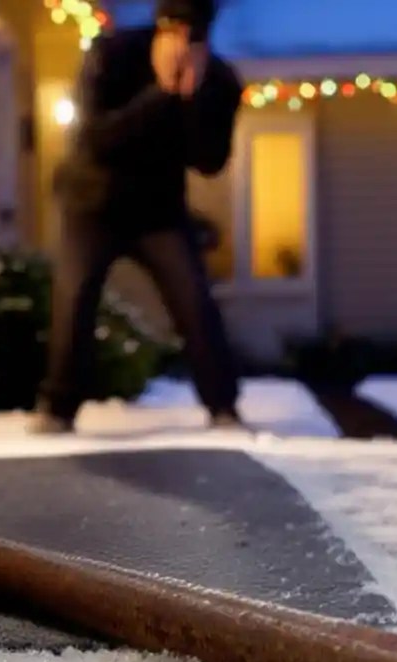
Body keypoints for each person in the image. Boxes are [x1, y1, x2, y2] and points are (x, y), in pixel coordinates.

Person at [29, 0, 245, 434]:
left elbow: (209, 161)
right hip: (91, 204)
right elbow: (96, 138)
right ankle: (57, 408)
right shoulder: (113, 55)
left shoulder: (220, 81)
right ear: (159, 29)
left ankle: (223, 406)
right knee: (75, 299)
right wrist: (159, 94)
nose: (182, 45)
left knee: (194, 300)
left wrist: (191, 99)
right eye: (173, 32)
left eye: (193, 37)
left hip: (159, 211)